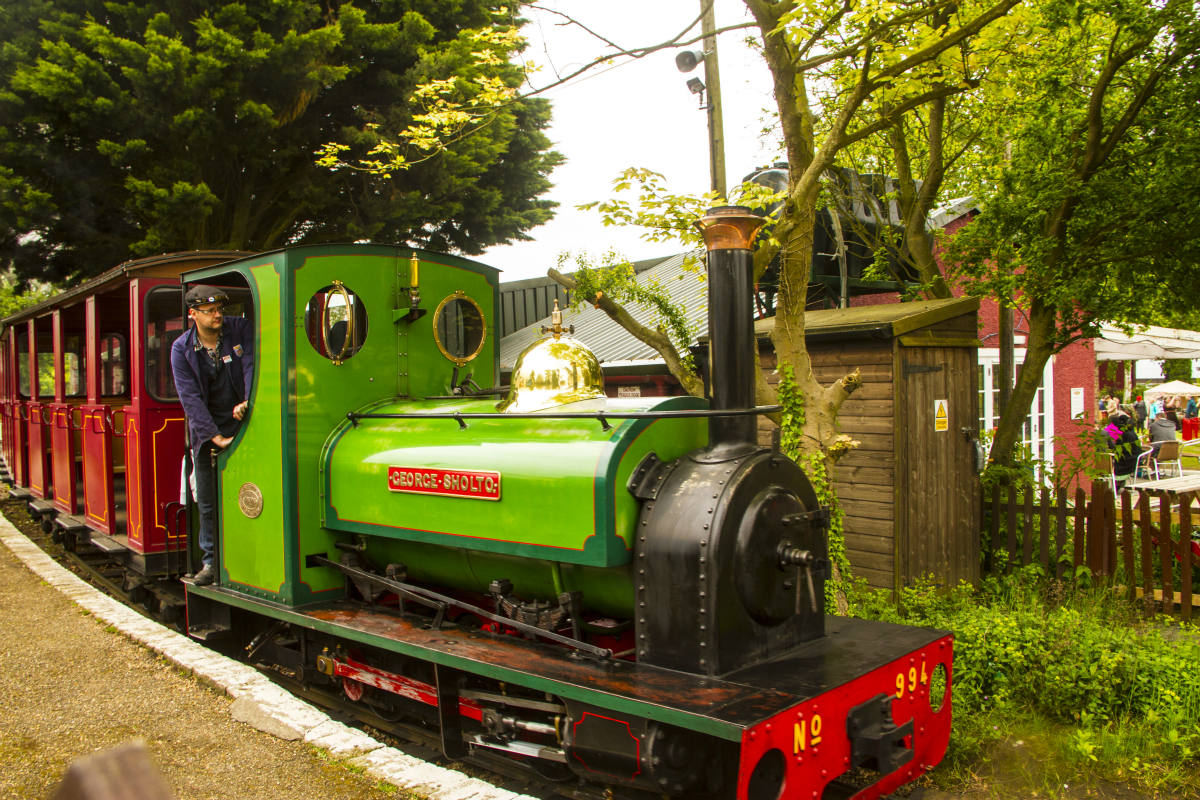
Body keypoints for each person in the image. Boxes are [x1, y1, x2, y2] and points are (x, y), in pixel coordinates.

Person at [170, 286, 254, 586]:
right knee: (208, 500)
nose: (218, 315)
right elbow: (190, 399)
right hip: (207, 431)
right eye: (210, 310)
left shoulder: (239, 329)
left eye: (220, 309)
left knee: (250, 492)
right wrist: (215, 437)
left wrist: (249, 400)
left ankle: (250, 558)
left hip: (244, 421)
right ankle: (211, 562)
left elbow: (250, 364)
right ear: (193, 314)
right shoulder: (181, 349)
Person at [1104, 413, 1141, 488]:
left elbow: (1118, 450)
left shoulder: (1124, 435)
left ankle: (1115, 486)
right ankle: (1118, 485)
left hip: (1126, 464)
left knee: (1107, 464)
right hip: (1134, 461)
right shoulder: (1132, 433)